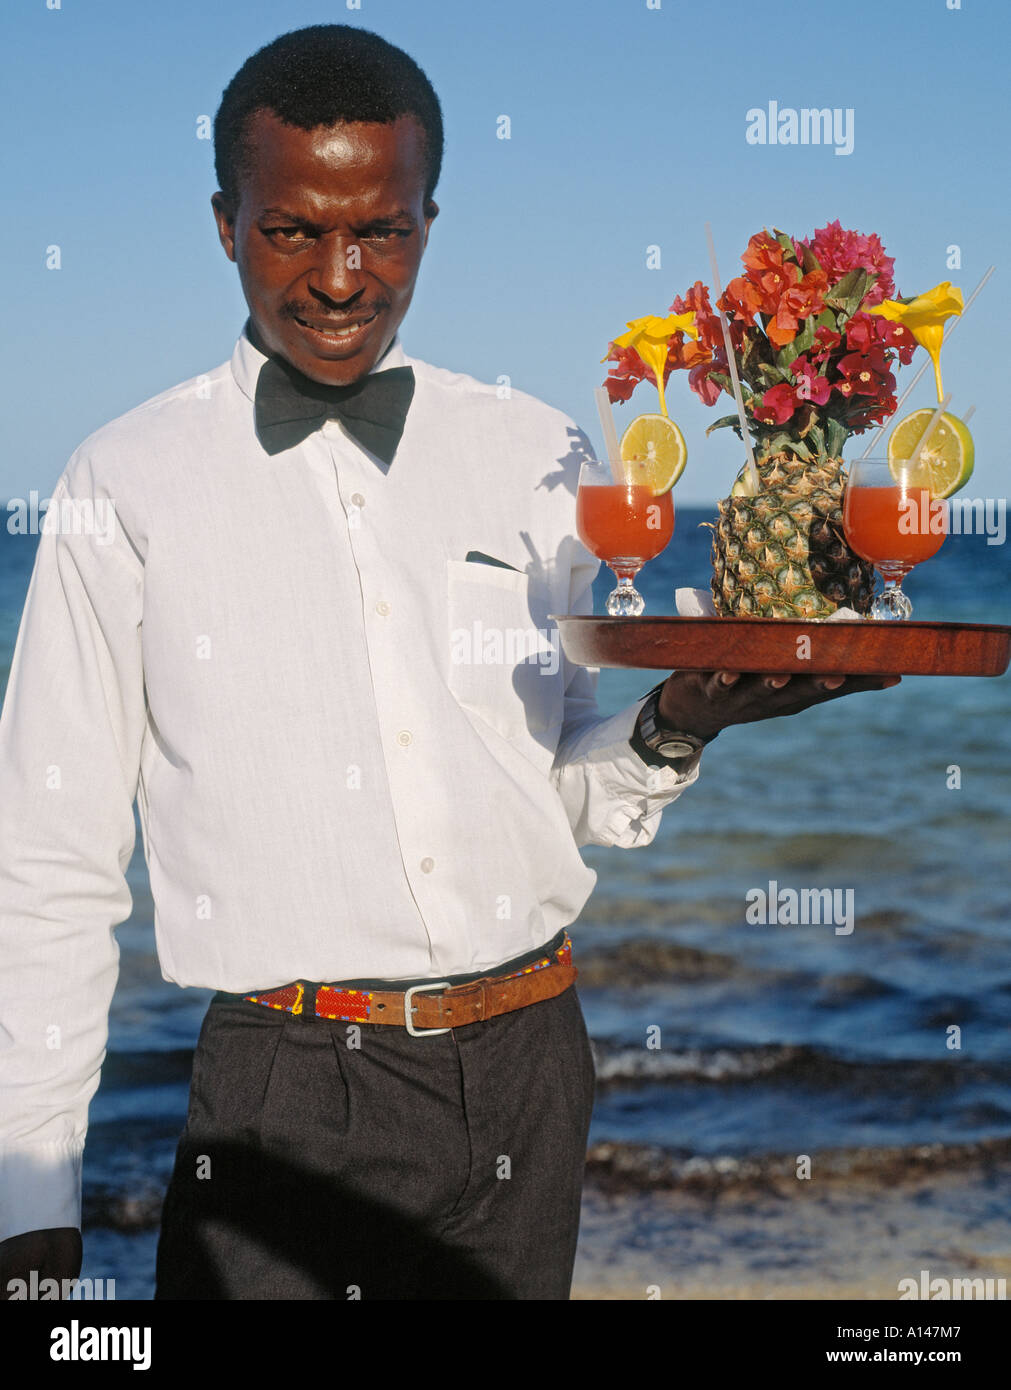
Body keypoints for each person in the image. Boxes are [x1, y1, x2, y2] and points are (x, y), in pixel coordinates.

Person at [0, 24, 898, 1301]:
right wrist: (28, 1195)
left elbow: (566, 778)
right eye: (292, 230)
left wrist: (680, 719)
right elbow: (47, 858)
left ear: (429, 218)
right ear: (223, 223)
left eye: (385, 229)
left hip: (535, 1062)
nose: (341, 276)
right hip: (284, 1094)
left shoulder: (539, 450)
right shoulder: (121, 482)